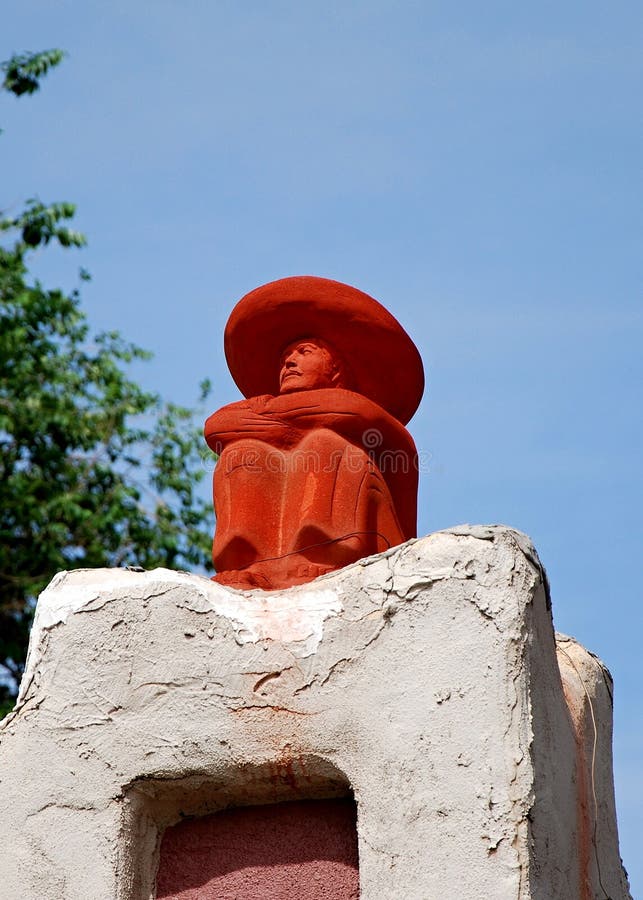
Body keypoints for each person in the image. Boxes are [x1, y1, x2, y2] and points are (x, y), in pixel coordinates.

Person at [204, 276, 424, 590]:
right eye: (283, 359)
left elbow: (344, 411)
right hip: (274, 550)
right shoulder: (274, 409)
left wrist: (271, 420)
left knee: (324, 445)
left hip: (373, 541)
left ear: (335, 368)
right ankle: (249, 566)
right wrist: (291, 424)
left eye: (304, 352)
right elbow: (217, 427)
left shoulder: (365, 412)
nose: (289, 362)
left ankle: (322, 556)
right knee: (243, 454)